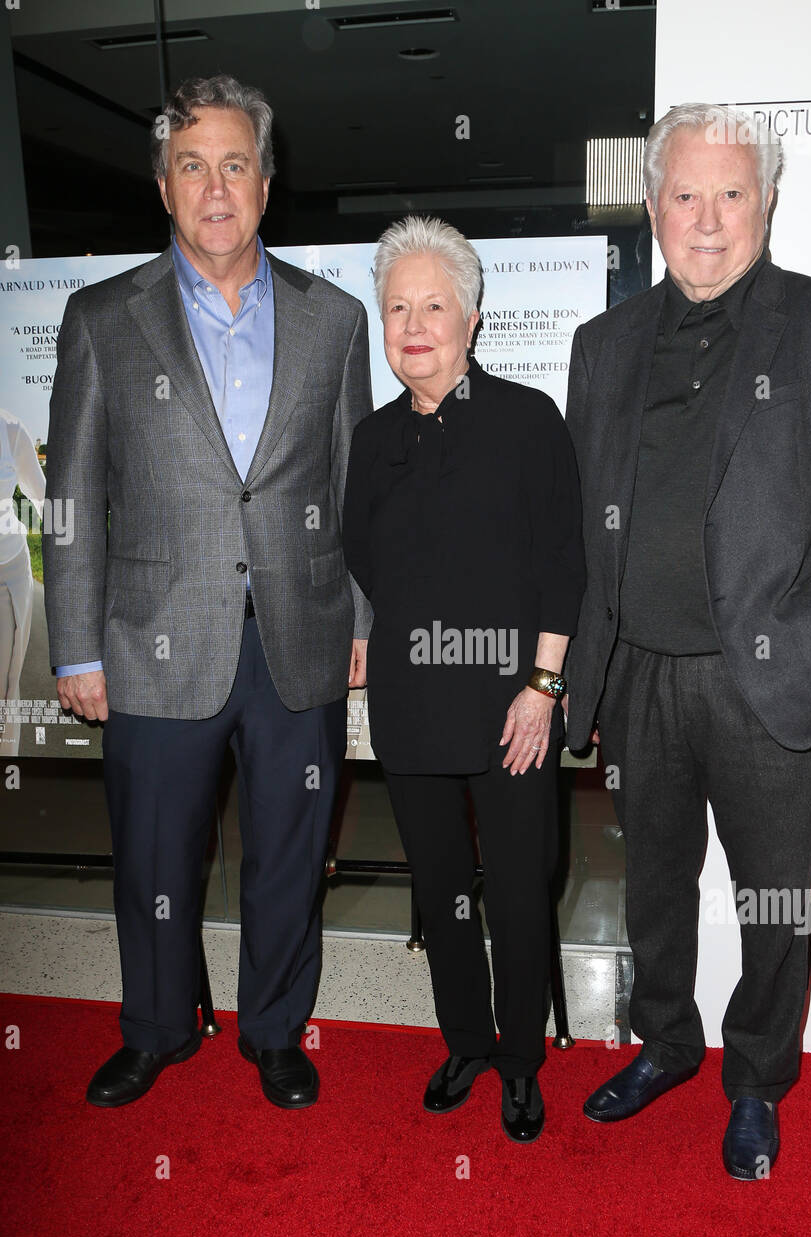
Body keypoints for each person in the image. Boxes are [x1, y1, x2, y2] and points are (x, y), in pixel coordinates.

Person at [565, 104, 811, 1178]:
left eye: (731, 194)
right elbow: (583, 518)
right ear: (654, 203)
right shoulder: (601, 345)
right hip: (637, 678)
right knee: (655, 884)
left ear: (766, 203)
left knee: (772, 902)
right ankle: (664, 1043)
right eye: (685, 194)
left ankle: (755, 1078)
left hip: (772, 683)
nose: (706, 221)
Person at [43, 75, 372, 1110]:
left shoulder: (337, 320)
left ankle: (275, 1030)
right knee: (153, 855)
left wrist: (362, 620)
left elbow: (353, 485)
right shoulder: (102, 318)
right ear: (163, 183)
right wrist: (75, 647)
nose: (216, 187)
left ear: (266, 185)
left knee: (287, 850)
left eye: (236, 164)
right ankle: (156, 1027)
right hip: (150, 641)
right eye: (194, 166)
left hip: (299, 637)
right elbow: (72, 495)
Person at [342, 216, 585, 1142]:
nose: (414, 323)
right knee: (440, 889)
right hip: (412, 706)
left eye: (432, 305)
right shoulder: (370, 440)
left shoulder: (527, 420)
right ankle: (466, 1043)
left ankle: (522, 1061)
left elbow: (563, 564)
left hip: (512, 704)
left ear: (472, 318)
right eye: (396, 306)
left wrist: (543, 688)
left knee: (520, 888)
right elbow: (362, 560)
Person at [0, 410, 45, 758]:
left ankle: (7, 775)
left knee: (5, 686)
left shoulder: (10, 429)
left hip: (7, 573)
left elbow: (44, 500)